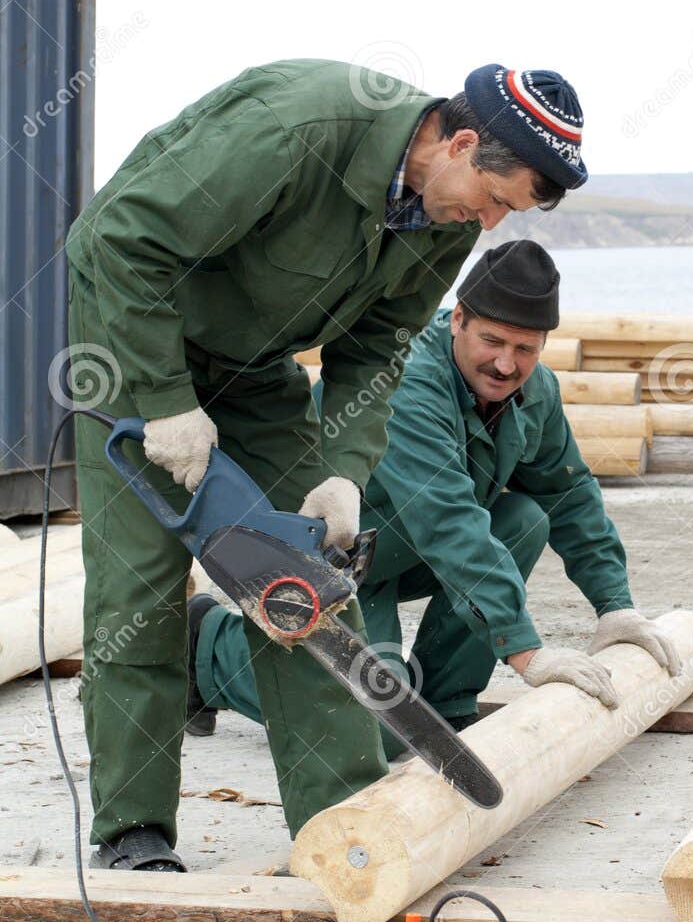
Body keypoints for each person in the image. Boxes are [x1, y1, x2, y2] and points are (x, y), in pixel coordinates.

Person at [65, 60, 588, 871]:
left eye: (506, 213)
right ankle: (134, 831)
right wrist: (165, 399)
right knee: (140, 590)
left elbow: (377, 345)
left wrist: (342, 468)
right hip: (134, 343)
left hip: (254, 367)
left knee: (309, 584)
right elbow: (119, 240)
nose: (487, 224)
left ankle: (343, 826)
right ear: (460, 143)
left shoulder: (445, 212)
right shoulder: (294, 130)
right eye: (493, 200)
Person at [187, 240, 681, 746]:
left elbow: (569, 494)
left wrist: (615, 606)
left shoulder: (536, 391)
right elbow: (448, 521)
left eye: (525, 349)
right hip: (327, 560)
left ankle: (446, 701)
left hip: (400, 547)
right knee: (381, 729)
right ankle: (206, 647)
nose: (506, 364)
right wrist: (526, 653)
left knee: (524, 519)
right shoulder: (408, 382)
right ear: (458, 319)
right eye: (492, 341)